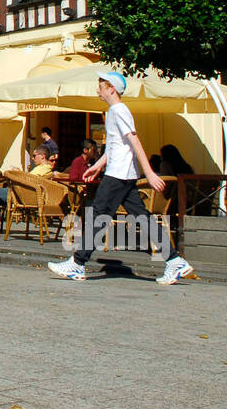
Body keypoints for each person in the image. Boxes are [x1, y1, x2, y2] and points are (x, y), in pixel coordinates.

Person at [48, 71, 196, 285]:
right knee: (142, 217)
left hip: (118, 175)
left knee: (98, 215)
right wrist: (97, 166)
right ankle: (174, 260)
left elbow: (134, 141)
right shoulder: (114, 112)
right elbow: (117, 146)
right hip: (123, 173)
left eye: (100, 87)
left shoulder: (119, 111)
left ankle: (78, 263)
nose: (97, 90)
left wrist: (150, 173)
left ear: (111, 89)